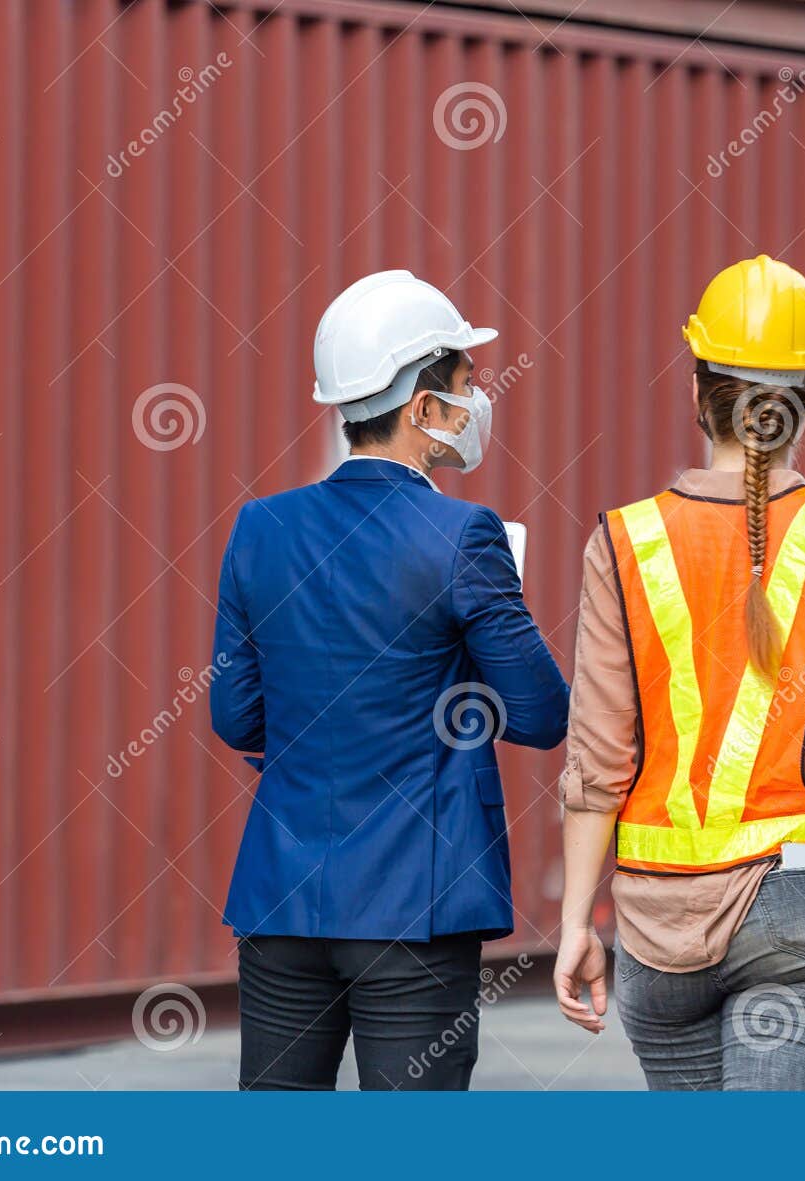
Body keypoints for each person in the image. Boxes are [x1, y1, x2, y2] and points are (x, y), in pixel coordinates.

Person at [553, 255, 805, 1091]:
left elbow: (596, 760)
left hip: (656, 923)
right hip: (801, 912)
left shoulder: (623, 543)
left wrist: (575, 922)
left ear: (699, 391)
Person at [210, 270, 569, 1091]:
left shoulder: (259, 528)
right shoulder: (463, 535)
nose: (477, 401)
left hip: (284, 894)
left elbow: (236, 715)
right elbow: (543, 712)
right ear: (422, 409)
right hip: (419, 897)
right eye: (467, 384)